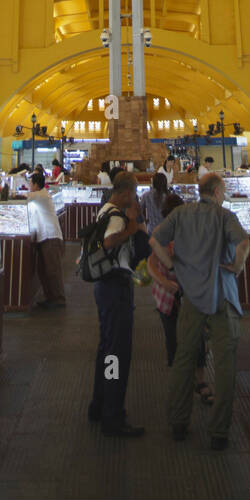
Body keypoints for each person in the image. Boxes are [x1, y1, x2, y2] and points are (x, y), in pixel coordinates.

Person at [150, 173, 249, 451]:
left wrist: (172, 265)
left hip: (191, 297)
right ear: (216, 192)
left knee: (184, 358)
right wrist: (236, 267)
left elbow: (154, 240)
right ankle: (219, 431)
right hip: (222, 295)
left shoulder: (181, 214)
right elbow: (243, 244)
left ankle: (178, 422)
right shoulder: (225, 216)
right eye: (223, 191)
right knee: (225, 363)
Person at [88, 173, 146, 438]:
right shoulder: (115, 217)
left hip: (106, 288)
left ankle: (99, 404)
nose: (135, 199)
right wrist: (132, 228)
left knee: (107, 348)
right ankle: (112, 414)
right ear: (125, 193)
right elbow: (108, 241)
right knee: (116, 353)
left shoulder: (105, 210)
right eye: (134, 194)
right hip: (114, 289)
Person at [148, 193, 213, 404]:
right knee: (173, 339)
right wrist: (164, 282)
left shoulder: (192, 232)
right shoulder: (161, 233)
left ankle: (198, 380)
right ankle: (181, 383)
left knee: (198, 337)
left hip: (191, 293)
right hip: (168, 296)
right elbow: (150, 263)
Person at [27, 167, 66, 308]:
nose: (29, 186)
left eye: (30, 184)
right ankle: (50, 297)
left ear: (36, 185)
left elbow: (25, 198)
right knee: (44, 269)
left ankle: (58, 298)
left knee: (52, 269)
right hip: (45, 237)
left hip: (51, 237)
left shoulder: (41, 195)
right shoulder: (40, 195)